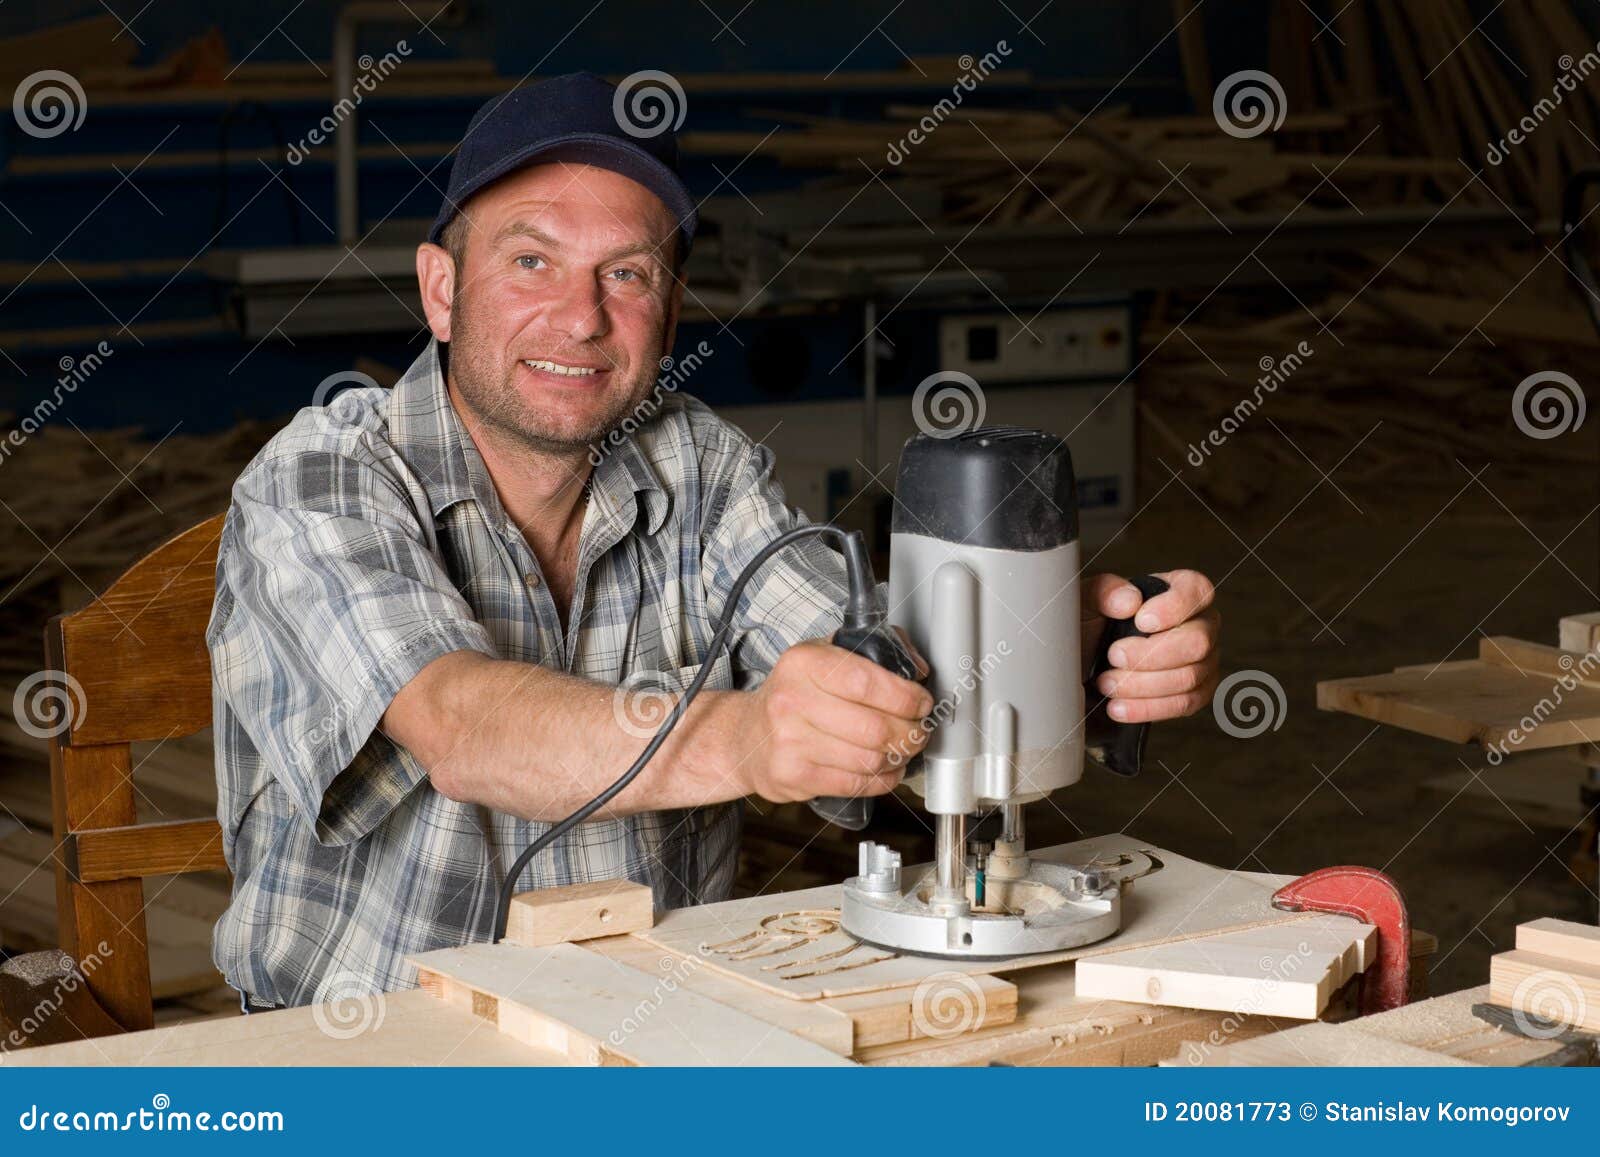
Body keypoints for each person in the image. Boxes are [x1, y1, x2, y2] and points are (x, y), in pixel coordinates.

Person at [207, 72, 1221, 1009]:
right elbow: (462, 727)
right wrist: (745, 737)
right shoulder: (320, 477)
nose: (580, 319)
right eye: (530, 261)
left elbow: (860, 666)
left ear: (670, 306)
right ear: (440, 288)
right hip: (371, 1044)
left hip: (659, 1026)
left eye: (628, 274)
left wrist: (1048, 656)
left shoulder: (703, 465)